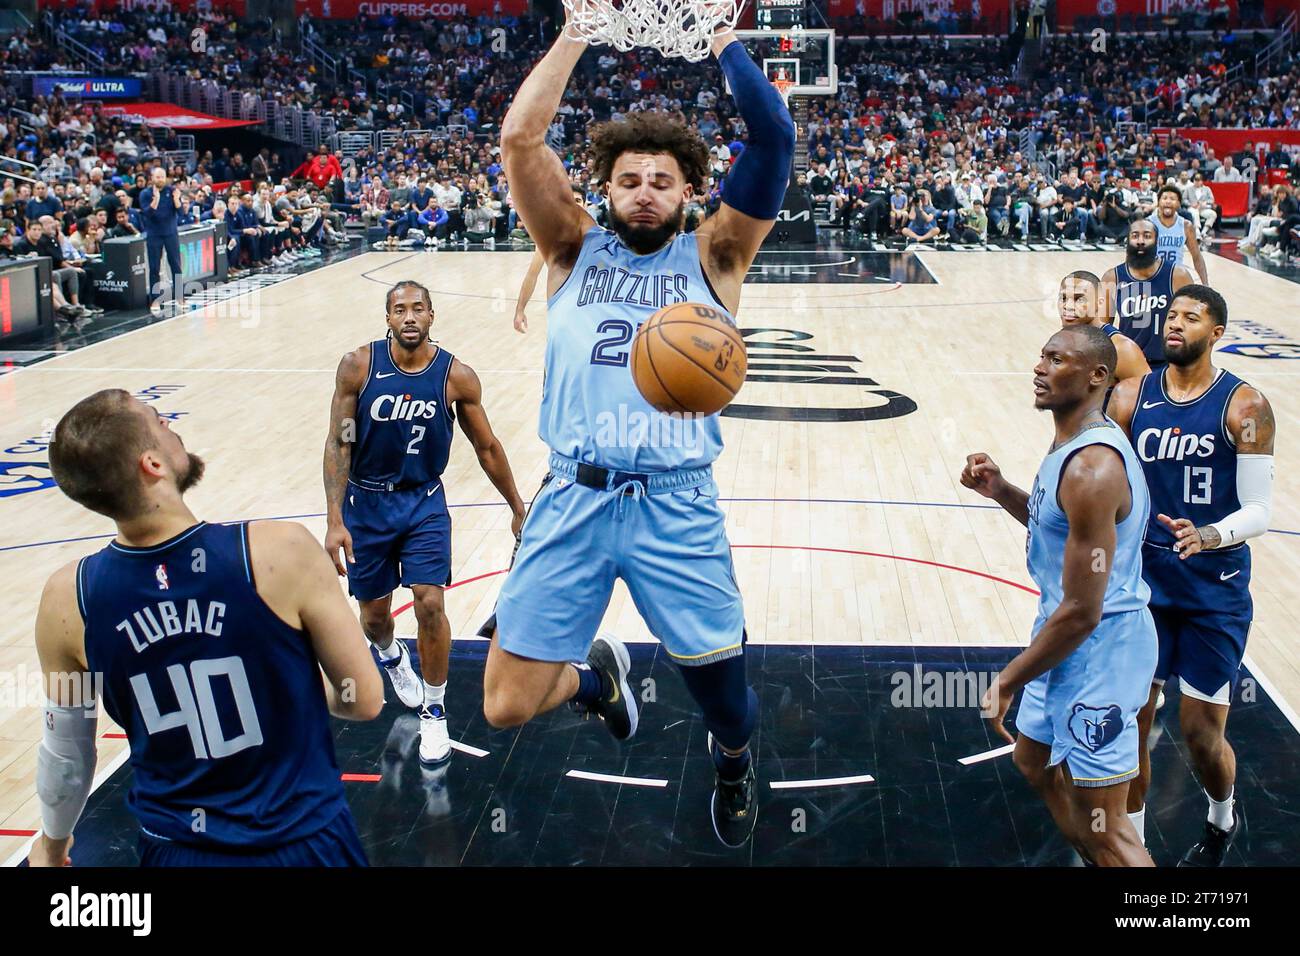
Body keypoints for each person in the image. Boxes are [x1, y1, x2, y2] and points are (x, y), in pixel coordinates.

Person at [483, 16, 795, 847]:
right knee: (505, 704)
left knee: (727, 704)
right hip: (573, 496)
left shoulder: (717, 255)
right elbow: (519, 140)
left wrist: (723, 36)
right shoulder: (568, 248)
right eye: (629, 180)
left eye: (662, 179)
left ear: (689, 192)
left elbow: (774, 136)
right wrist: (576, 32)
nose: (645, 191)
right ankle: (597, 684)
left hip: (675, 505)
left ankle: (733, 761)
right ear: (606, 191)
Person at [29, 390, 382, 867]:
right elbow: (363, 699)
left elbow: (67, 757)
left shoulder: (68, 598)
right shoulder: (279, 550)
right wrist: (284, 681)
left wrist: (52, 846)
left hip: (176, 851)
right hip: (304, 842)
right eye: (159, 420)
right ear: (153, 464)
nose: (170, 426)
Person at [962, 325, 1157, 867]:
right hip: (1067, 637)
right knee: (1033, 761)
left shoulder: (1094, 470)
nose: (1040, 367)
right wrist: (1001, 490)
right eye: (1042, 356)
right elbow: (1057, 528)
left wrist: (1007, 681)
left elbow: (1083, 610)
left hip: (1101, 652)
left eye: (1057, 360)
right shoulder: (1072, 443)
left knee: (1107, 828)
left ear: (1097, 376)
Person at [323, 281, 526, 764]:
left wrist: (517, 507)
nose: (409, 317)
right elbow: (339, 442)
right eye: (400, 310)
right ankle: (391, 655)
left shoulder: (456, 377)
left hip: (423, 502)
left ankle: (435, 710)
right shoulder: (358, 366)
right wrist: (334, 518)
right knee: (374, 618)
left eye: (418, 309)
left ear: (432, 316)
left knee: (430, 602)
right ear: (388, 319)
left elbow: (487, 447)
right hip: (366, 504)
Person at [1106, 285, 1275, 867]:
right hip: (1145, 587)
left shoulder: (1245, 406)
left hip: (1213, 591)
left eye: (1191, 318)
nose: (1175, 324)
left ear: (1217, 333)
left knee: (1201, 734)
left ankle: (1222, 814)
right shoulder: (1129, 397)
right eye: (1171, 315)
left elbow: (1259, 511)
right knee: (1133, 722)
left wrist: (1208, 534)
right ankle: (1133, 848)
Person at [1100, 218, 1194, 371]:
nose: (1140, 241)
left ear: (1157, 240)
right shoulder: (1112, 277)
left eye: (1147, 236)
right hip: (1129, 363)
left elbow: (1192, 322)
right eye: (1135, 236)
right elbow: (1102, 328)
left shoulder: (1178, 275)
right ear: (1128, 240)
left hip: (1169, 364)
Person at [1058, 271, 1149, 393]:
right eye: (1063, 298)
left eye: (1079, 299)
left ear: (1099, 303)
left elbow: (1150, 396)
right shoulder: (1062, 342)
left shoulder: (1121, 348)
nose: (1068, 306)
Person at [513, 185, 586, 332]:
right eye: (569, 200)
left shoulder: (598, 235)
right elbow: (532, 275)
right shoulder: (549, 239)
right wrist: (520, 310)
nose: (573, 205)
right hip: (562, 306)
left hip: (590, 305)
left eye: (578, 201)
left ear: (585, 205)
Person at [137, 166, 185, 311]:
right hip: (154, 234)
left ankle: (180, 297)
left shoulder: (172, 191)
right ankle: (155, 300)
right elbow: (147, 214)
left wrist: (177, 200)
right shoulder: (145, 194)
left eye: (162, 177)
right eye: (157, 177)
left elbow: (181, 213)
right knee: (154, 268)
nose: (160, 180)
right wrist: (156, 200)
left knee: (176, 266)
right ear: (152, 178)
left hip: (171, 233)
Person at [1152, 185, 1209, 284]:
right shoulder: (1148, 224)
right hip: (1152, 277)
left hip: (1176, 277)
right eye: (1164, 198)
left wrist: (1206, 285)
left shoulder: (1186, 226)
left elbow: (1197, 257)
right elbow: (1135, 256)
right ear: (1158, 202)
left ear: (1178, 204)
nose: (1168, 201)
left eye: (1172, 199)